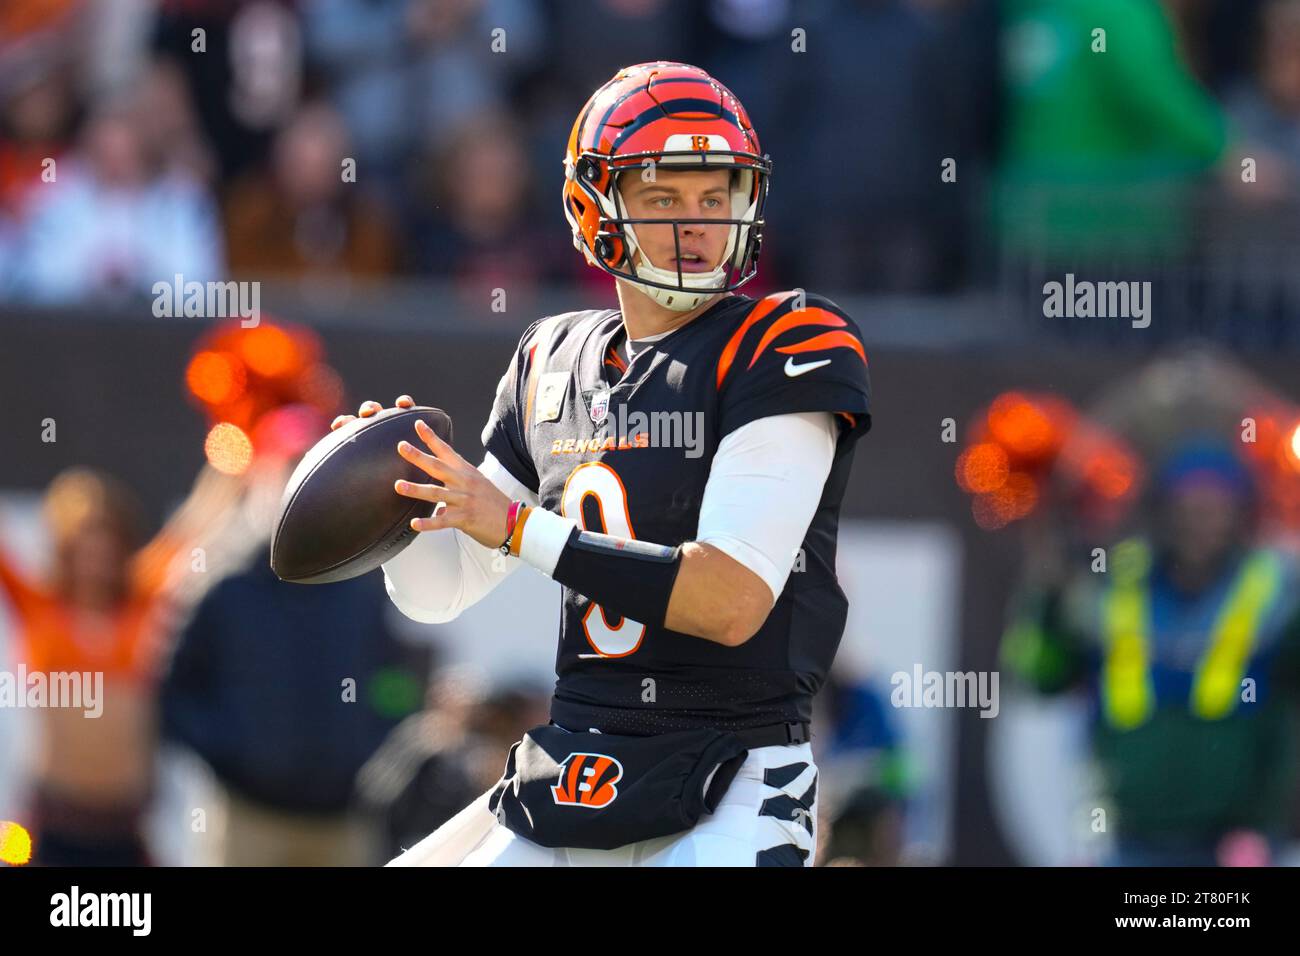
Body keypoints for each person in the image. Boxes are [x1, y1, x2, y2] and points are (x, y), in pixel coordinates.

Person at [332, 62, 872, 866]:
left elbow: (728, 600)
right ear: (595, 204)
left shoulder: (786, 342)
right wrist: (399, 501)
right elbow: (441, 591)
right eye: (663, 197)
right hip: (577, 768)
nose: (697, 222)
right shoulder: (553, 359)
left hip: (733, 778)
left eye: (716, 194)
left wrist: (518, 527)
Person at [1001, 439, 1300, 865]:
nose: (1200, 523)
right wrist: (1048, 595)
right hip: (1126, 839)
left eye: (1216, 508)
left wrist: (1260, 823)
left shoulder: (1275, 593)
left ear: (1241, 517)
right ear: (1162, 514)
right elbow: (1042, 677)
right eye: (1188, 508)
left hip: (1235, 846)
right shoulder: (1117, 587)